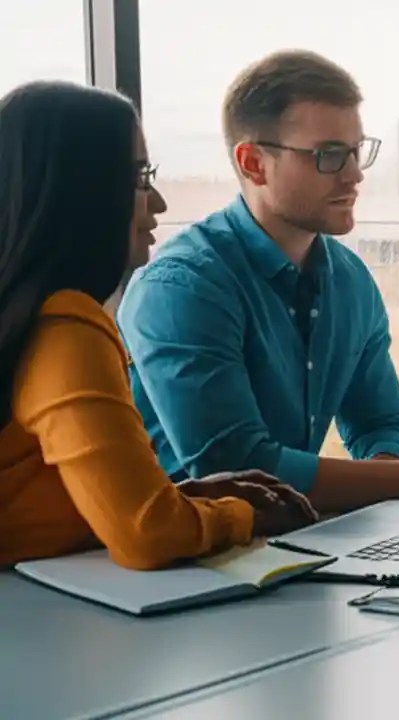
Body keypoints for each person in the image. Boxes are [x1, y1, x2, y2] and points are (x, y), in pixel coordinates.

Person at [118, 50, 399, 514]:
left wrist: (394, 492)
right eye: (330, 156)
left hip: (287, 544)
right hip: (184, 561)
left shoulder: (350, 280)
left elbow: (382, 422)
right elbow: (236, 465)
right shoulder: (182, 287)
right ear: (254, 163)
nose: (355, 174)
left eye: (357, 151)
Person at [0, 81, 317, 570]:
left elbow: (40, 508)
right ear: (81, 190)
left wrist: (181, 497)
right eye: (139, 178)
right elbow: (147, 536)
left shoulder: (30, 320)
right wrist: (241, 517)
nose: (159, 204)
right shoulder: (66, 328)